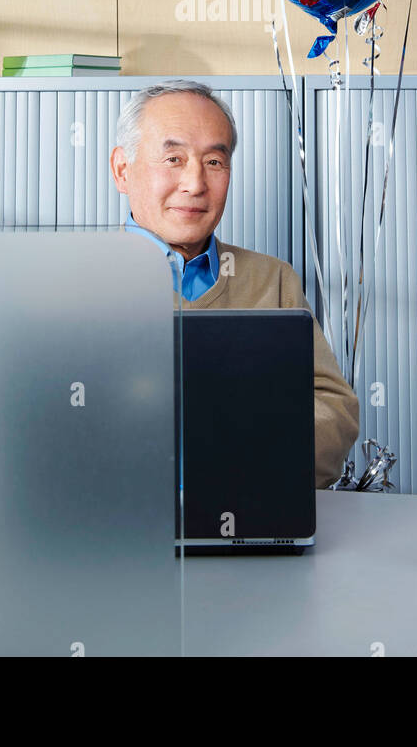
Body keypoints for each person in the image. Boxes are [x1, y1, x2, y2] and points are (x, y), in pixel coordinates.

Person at [109, 78, 359, 488]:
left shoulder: (273, 280)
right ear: (123, 169)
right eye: (173, 159)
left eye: (214, 162)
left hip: (257, 519)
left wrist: (234, 454)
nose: (195, 184)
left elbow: (334, 409)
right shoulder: (74, 281)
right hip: (117, 528)